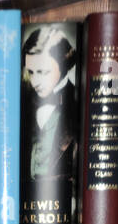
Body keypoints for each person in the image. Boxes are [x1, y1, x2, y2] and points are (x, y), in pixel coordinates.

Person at [22, 25, 78, 181]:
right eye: (31, 72)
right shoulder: (19, 103)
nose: (35, 82)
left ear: (63, 63)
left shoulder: (79, 104)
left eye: (43, 72)